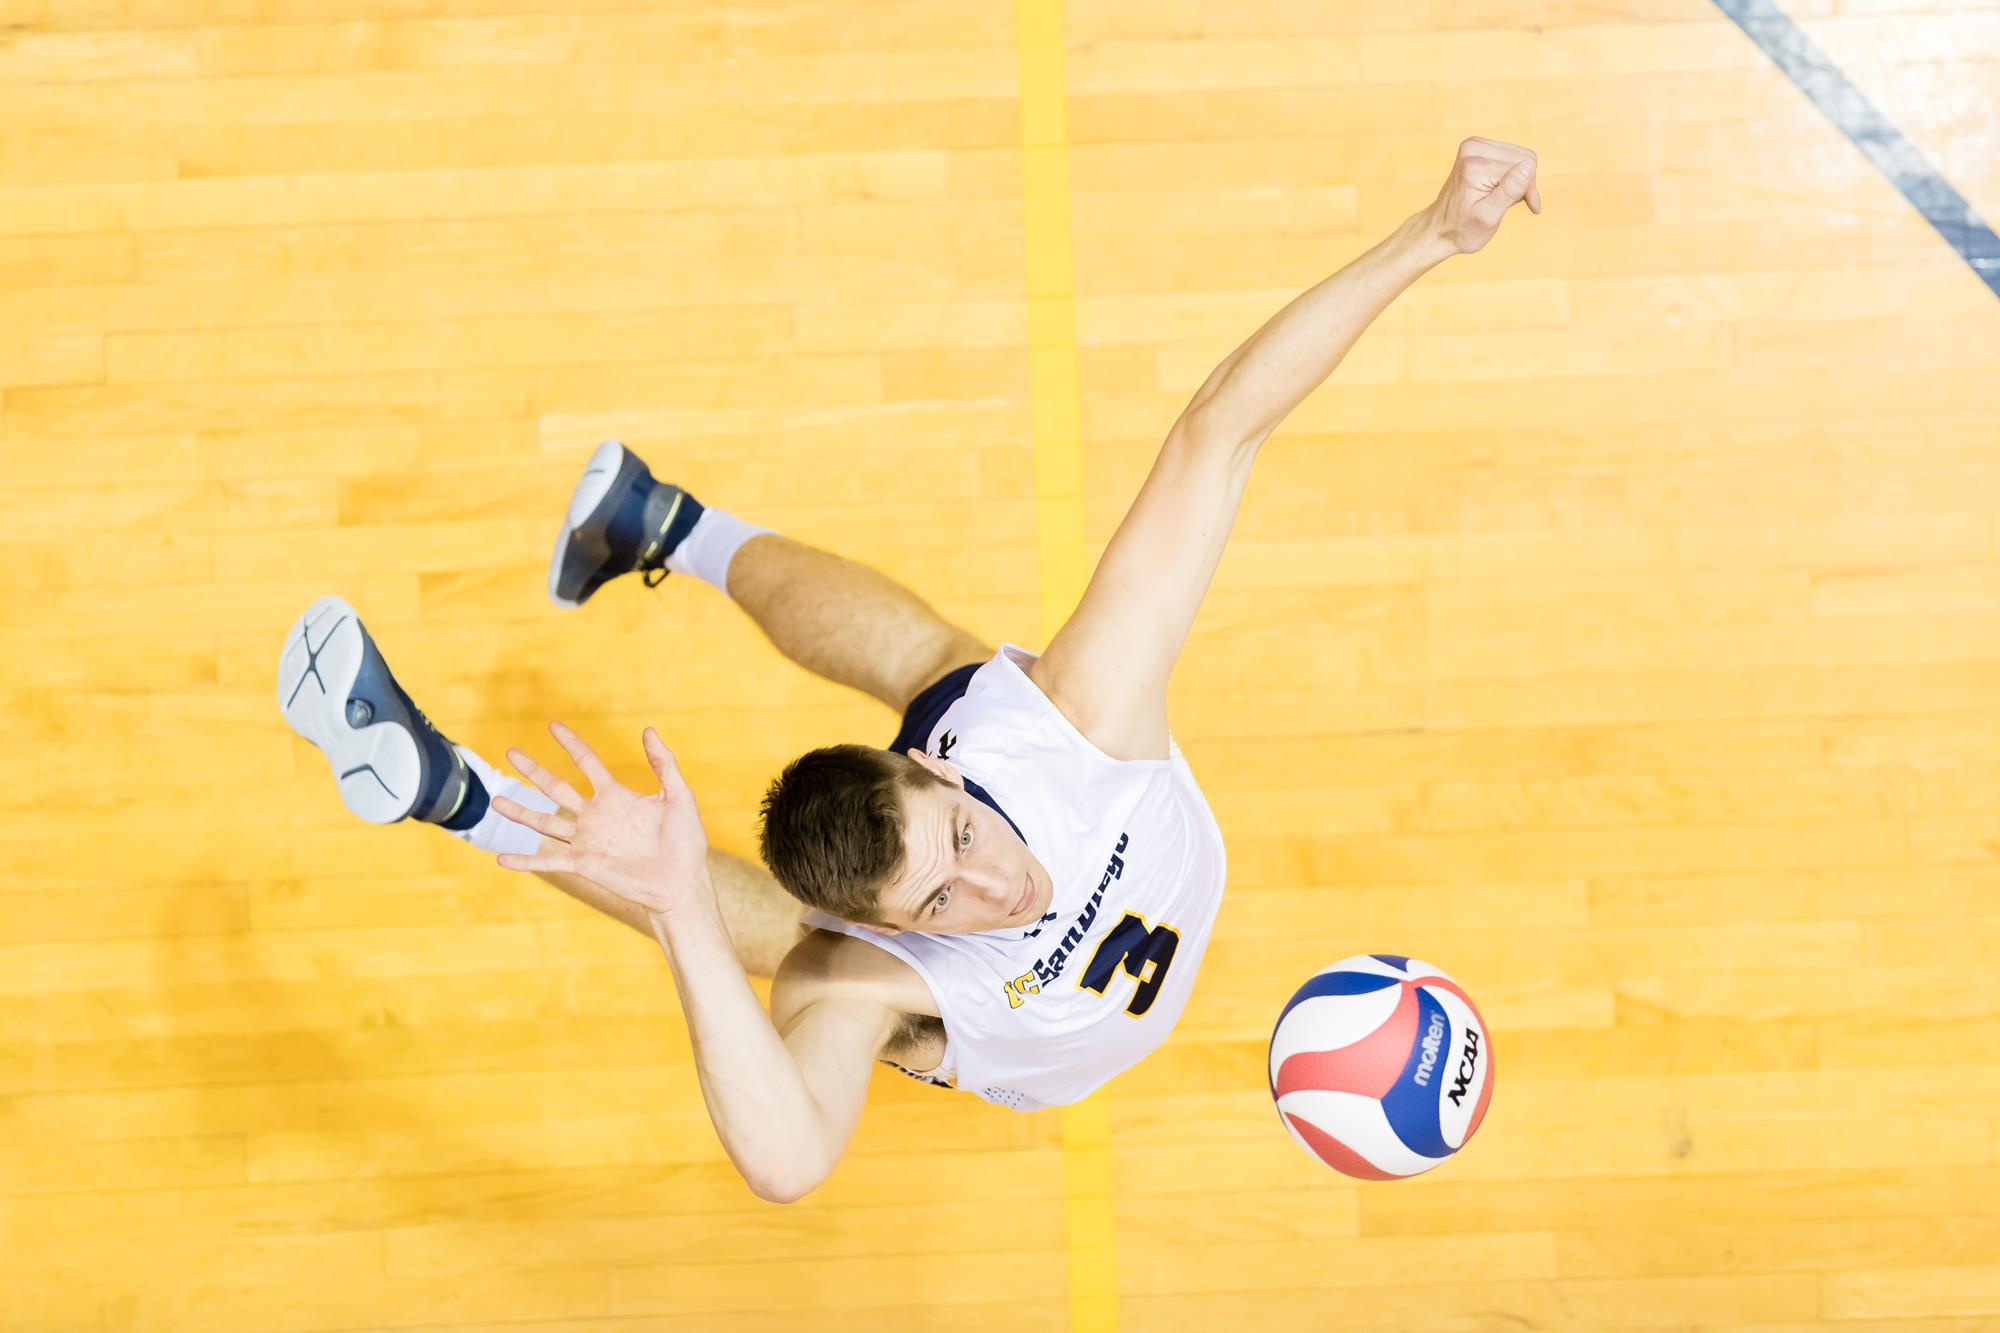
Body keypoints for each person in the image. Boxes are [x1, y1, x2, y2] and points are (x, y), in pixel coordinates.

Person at [280, 138, 1541, 1202]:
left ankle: (658, 534)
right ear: (887, 923)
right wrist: (676, 912)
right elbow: (783, 1159)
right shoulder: (870, 966)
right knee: (762, 938)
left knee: (941, 664)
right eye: (939, 901)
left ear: (941, 766)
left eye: (959, 833)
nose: (995, 882)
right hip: (952, 1002)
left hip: (1026, 769)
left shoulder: (1071, 720)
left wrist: (1432, 233)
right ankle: (465, 787)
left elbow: (1218, 426)